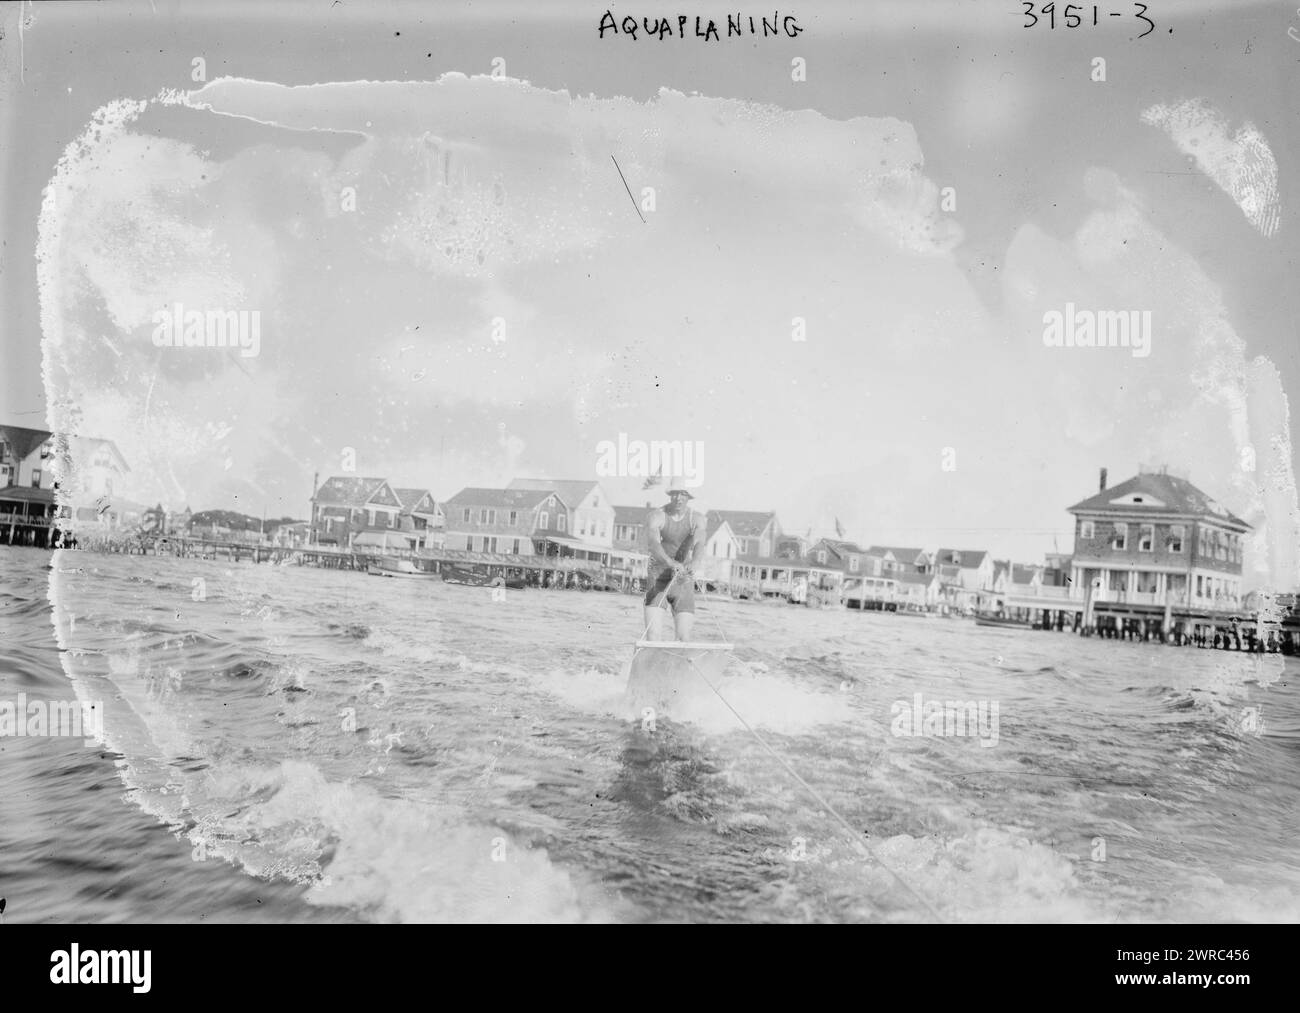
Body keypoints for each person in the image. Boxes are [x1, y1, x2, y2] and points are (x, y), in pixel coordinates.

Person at [643, 479, 707, 641]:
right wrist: (670, 563)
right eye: (675, 494)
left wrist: (695, 562)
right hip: (658, 579)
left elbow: (700, 543)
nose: (678, 498)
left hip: (682, 581)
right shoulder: (656, 516)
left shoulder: (697, 519)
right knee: (653, 636)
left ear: (688, 497)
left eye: (683, 494)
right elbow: (653, 544)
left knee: (684, 638)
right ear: (670, 495)